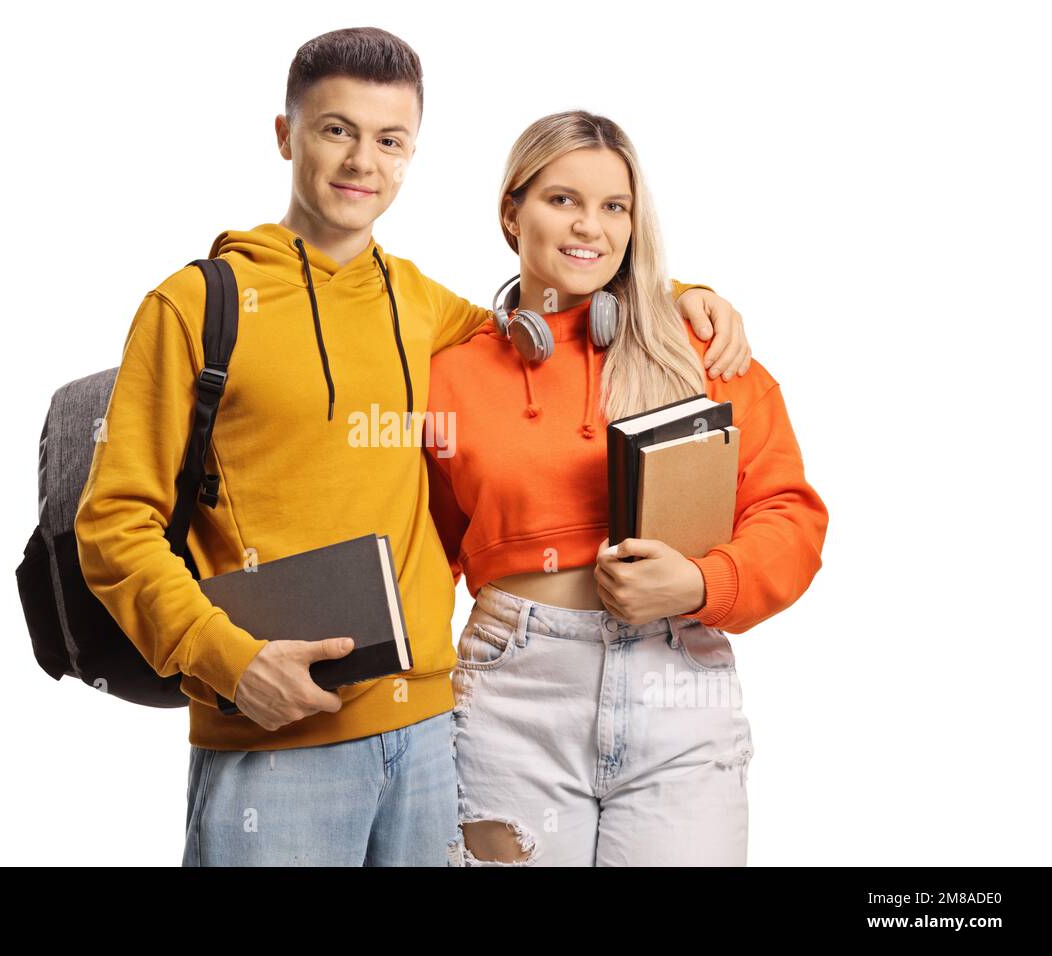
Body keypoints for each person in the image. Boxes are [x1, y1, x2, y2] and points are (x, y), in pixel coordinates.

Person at [73, 28, 752, 867]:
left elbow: (559, 304)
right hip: (273, 736)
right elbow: (112, 525)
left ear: (409, 156)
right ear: (286, 136)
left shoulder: (419, 303)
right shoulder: (193, 306)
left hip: (433, 736)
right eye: (335, 130)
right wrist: (230, 663)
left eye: (389, 140)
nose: (363, 160)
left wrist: (682, 296)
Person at [424, 110, 828, 866]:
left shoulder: (698, 347)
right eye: (563, 200)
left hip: (679, 688)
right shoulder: (451, 374)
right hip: (514, 702)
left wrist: (703, 583)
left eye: (615, 207)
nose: (591, 227)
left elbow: (788, 515)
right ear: (512, 212)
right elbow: (425, 552)